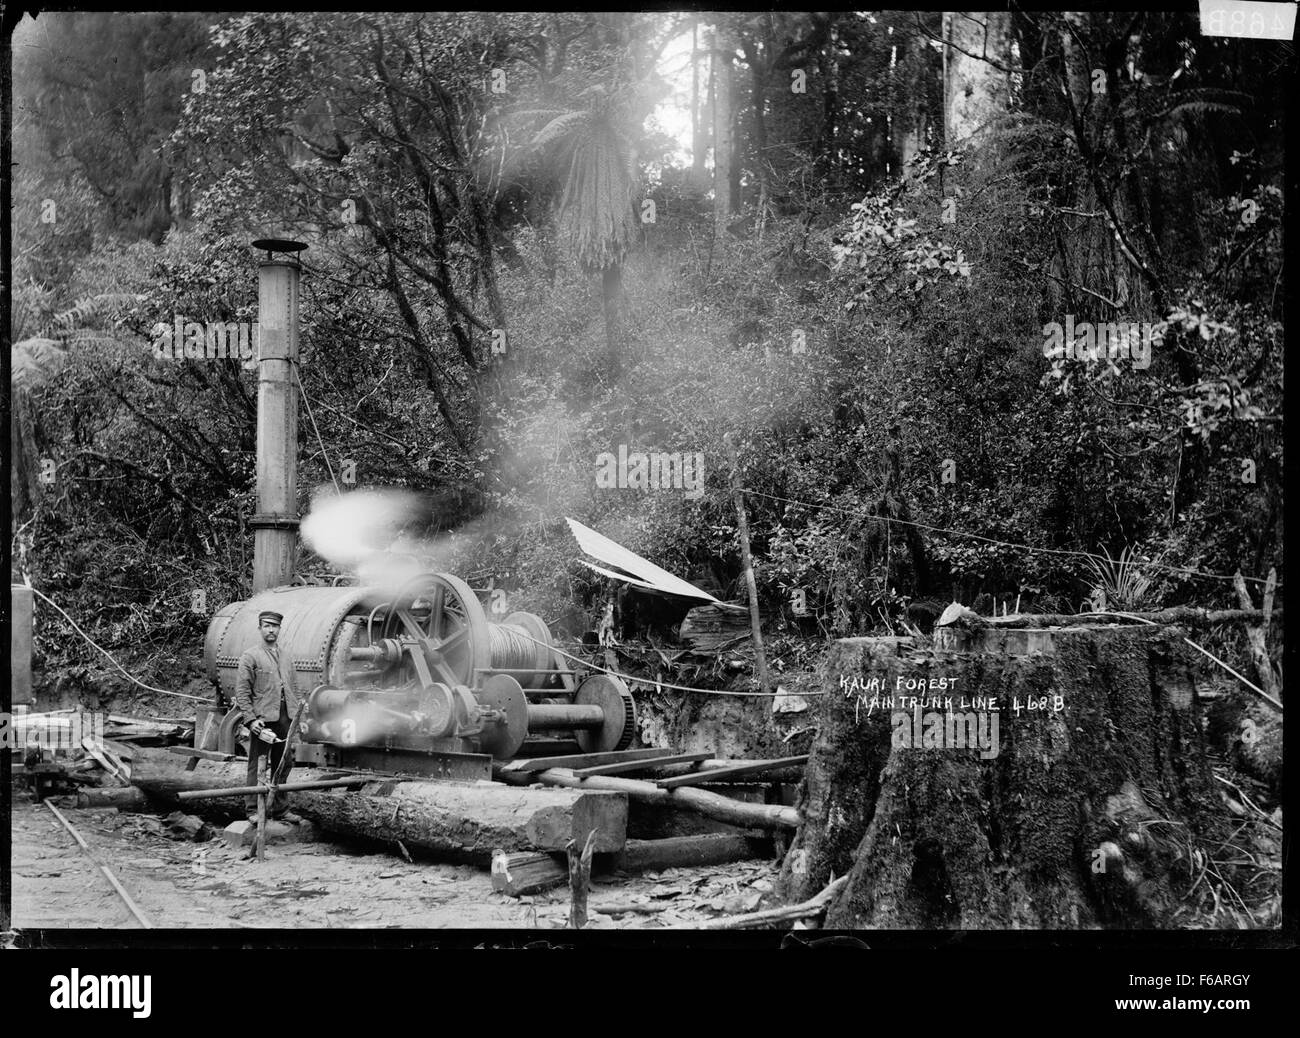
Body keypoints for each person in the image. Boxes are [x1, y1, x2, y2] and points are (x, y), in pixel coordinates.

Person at [233, 610, 301, 821]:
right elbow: (242, 692)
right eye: (267, 626)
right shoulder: (250, 656)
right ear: (260, 628)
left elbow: (294, 688)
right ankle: (253, 810)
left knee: (284, 763)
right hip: (263, 721)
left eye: (275, 626)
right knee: (257, 764)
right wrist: (251, 720)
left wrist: (297, 718)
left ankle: (280, 809)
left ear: (280, 629)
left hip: (285, 718)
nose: (271, 630)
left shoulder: (287, 656)